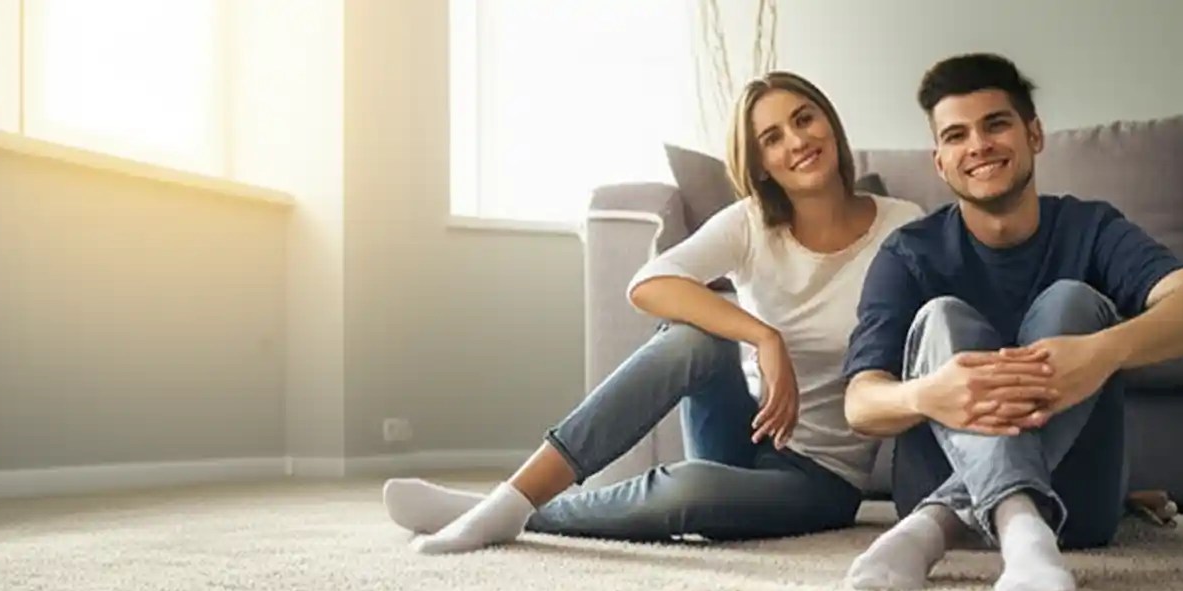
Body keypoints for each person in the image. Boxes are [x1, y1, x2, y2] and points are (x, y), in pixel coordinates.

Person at [381, 71, 923, 553]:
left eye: (804, 119)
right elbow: (649, 284)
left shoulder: (902, 225)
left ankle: (499, 510)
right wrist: (764, 337)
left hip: (821, 479)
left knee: (688, 490)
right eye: (773, 137)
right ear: (759, 165)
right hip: (746, 433)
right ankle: (512, 498)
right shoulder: (752, 221)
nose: (798, 141)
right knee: (692, 340)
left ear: (830, 123)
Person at [839, 53, 1183, 591]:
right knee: (942, 316)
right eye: (956, 135)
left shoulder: (1089, 227)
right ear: (940, 162)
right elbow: (860, 404)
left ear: (1034, 134)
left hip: (1076, 504)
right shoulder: (910, 251)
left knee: (1073, 301)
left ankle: (937, 524)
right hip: (939, 468)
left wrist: (1102, 352)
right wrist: (927, 393)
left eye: (995, 124)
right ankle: (1024, 529)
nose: (978, 145)